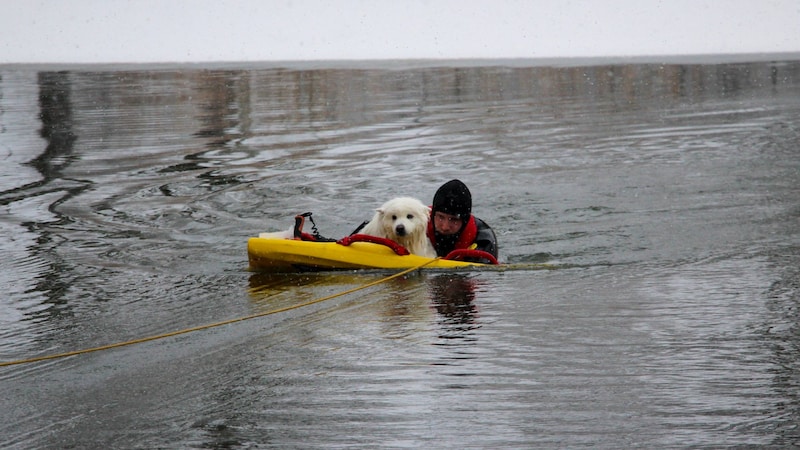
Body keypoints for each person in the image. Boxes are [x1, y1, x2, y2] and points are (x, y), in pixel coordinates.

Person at [427, 179, 498, 262]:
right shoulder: (416, 224)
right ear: (432, 215)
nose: (445, 226)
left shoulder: (484, 241)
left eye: (454, 220)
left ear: (465, 221)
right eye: (440, 217)